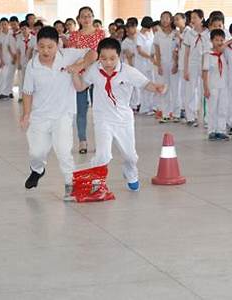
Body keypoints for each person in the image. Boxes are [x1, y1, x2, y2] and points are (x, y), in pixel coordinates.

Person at [71, 38, 166, 191]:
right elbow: (81, 86)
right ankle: (97, 183)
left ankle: (130, 173)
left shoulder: (128, 71)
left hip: (123, 119)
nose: (107, 62)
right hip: (102, 118)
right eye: (103, 58)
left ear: (119, 56)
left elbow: (145, 84)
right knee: (103, 155)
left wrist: (157, 87)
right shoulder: (94, 69)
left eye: (112, 58)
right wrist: (75, 74)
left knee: (130, 156)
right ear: (99, 56)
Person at [19, 26, 97, 201]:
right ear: (37, 45)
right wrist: (26, 115)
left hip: (63, 115)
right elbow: (27, 92)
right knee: (37, 153)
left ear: (58, 45)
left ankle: (71, 185)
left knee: (63, 150)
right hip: (39, 117)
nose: (45, 51)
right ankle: (37, 170)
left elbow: (93, 52)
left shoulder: (68, 55)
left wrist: (80, 65)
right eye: (42, 46)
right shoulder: (32, 65)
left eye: (50, 47)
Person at [67, 6, 105, 154]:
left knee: (99, 110)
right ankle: (82, 141)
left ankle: (101, 141)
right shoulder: (74, 36)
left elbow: (104, 53)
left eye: (89, 16)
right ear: (79, 19)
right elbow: (71, 56)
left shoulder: (101, 34)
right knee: (81, 110)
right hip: (80, 76)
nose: (86, 19)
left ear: (93, 17)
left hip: (98, 75)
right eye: (83, 16)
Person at [202, 29, 229, 141]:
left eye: (221, 40)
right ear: (211, 41)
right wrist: (206, 88)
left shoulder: (225, 54)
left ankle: (221, 130)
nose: (219, 42)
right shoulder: (208, 54)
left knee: (222, 108)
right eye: (216, 40)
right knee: (212, 109)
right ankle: (212, 130)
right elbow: (205, 72)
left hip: (224, 86)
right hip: (212, 86)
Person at [153, 11, 179, 123]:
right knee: (164, 89)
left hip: (174, 64)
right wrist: (159, 65)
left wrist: (176, 64)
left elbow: (178, 50)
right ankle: (165, 113)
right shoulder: (158, 34)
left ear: (171, 19)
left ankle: (176, 113)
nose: (164, 20)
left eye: (167, 18)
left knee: (175, 88)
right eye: (162, 18)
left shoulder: (176, 33)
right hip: (163, 64)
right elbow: (157, 52)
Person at [183, 9, 207, 127]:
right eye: (191, 18)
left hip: (205, 64)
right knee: (191, 90)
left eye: (195, 18)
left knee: (205, 90)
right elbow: (186, 53)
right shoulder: (189, 33)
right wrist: (185, 69)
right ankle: (190, 117)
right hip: (192, 64)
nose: (192, 20)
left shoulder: (207, 33)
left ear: (201, 18)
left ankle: (206, 117)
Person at [135, 16, 155, 115]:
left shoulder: (150, 34)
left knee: (151, 84)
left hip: (150, 64)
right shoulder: (139, 36)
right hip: (142, 63)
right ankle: (145, 107)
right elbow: (140, 51)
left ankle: (150, 106)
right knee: (144, 85)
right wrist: (150, 57)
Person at [16, 22, 36, 102]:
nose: (24, 31)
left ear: (29, 29)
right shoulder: (19, 38)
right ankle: (21, 96)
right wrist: (18, 63)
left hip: (32, 63)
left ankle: (32, 95)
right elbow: (18, 52)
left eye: (25, 29)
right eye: (22, 29)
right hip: (22, 62)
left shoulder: (35, 38)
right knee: (21, 79)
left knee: (32, 79)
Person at [0, 18, 14, 100]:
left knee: (10, 76)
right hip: (4, 58)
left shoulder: (12, 33)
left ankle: (9, 92)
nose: (3, 26)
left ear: (8, 24)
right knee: (3, 75)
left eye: (5, 24)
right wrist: (1, 60)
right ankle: (0, 92)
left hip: (14, 57)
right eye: (2, 24)